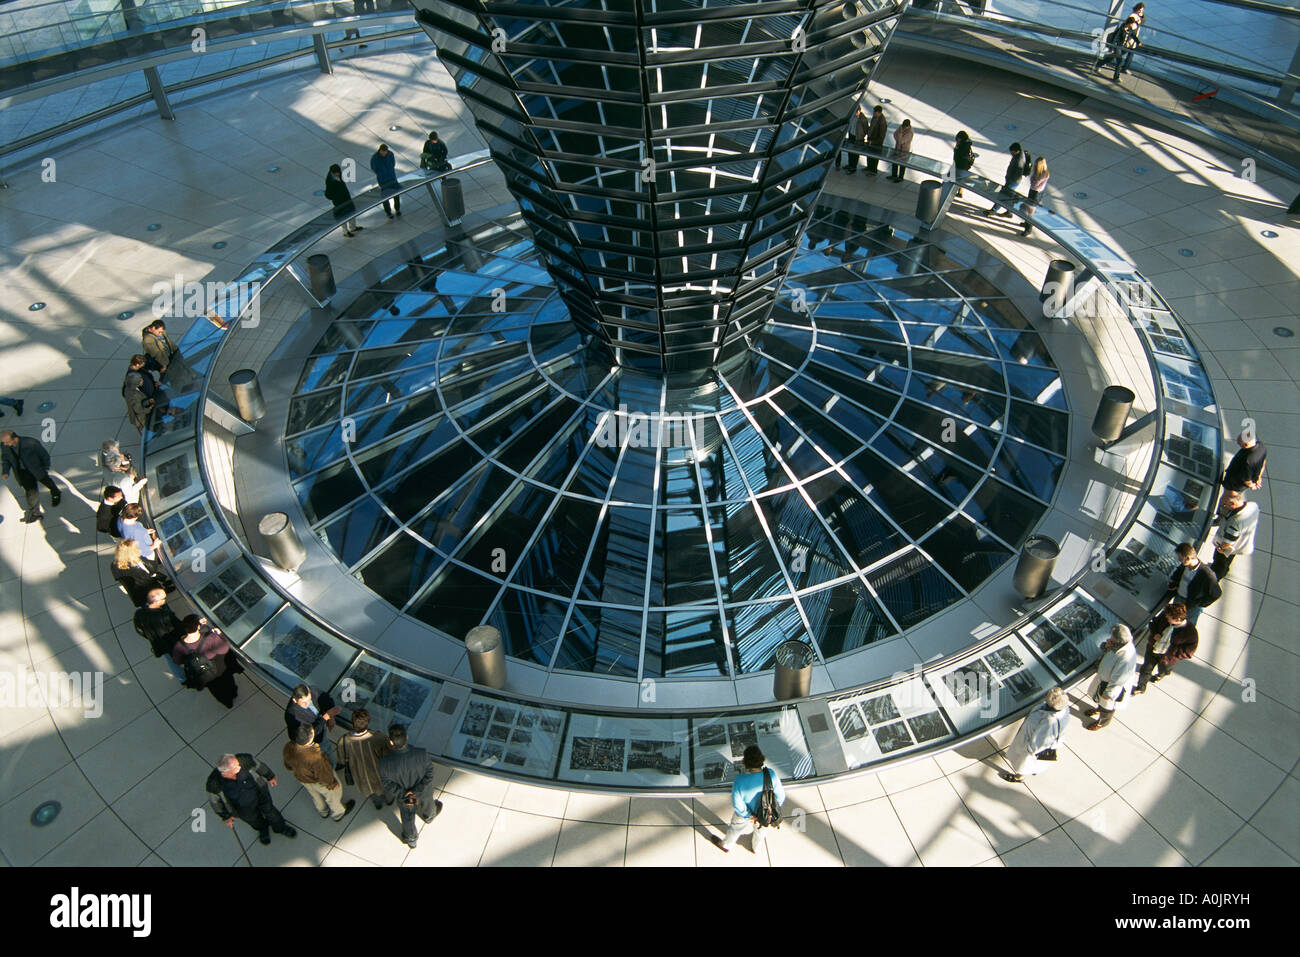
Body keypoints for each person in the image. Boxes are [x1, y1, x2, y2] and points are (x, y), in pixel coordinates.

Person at [206, 753, 298, 846]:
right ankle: (263, 829)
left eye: (237, 764)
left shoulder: (245, 759)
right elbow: (215, 803)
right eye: (235, 767)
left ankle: (281, 827)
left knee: (271, 811)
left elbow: (259, 766)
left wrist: (270, 776)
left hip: (260, 795)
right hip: (242, 808)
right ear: (225, 773)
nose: (239, 767)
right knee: (254, 820)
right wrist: (226, 817)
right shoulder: (214, 784)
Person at [378, 724, 441, 848]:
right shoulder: (422, 754)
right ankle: (429, 816)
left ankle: (411, 839)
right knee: (428, 803)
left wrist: (404, 794)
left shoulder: (384, 763)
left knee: (407, 817)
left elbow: (387, 783)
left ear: (391, 742)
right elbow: (429, 774)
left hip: (403, 798)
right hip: (422, 792)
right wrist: (415, 792)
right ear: (406, 736)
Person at [714, 745, 785, 854]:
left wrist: (749, 815)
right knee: (761, 832)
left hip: (744, 814)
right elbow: (780, 797)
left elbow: (738, 805)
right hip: (764, 814)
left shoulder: (740, 780)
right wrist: (769, 810)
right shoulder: (770, 774)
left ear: (745, 762)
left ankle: (726, 845)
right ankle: (755, 848)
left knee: (735, 829)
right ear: (761, 759)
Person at [283, 725, 356, 821]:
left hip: (303, 779)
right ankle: (338, 813)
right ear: (309, 738)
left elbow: (288, 765)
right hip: (319, 782)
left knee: (315, 795)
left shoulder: (289, 747)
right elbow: (324, 774)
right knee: (332, 797)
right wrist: (332, 784)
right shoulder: (315, 756)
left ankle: (323, 811)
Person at [1000, 686, 1069, 783]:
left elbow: (1039, 743)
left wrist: (1027, 750)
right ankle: (1032, 770)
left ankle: (1019, 777)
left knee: (1024, 764)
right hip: (1031, 743)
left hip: (1029, 748)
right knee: (1031, 763)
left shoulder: (1050, 721)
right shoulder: (1063, 708)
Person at [172, 614, 242, 708]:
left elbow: (177, 661)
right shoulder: (210, 638)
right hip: (220, 669)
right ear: (198, 626)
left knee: (215, 689)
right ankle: (232, 694)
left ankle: (226, 703)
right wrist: (219, 634)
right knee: (228, 683)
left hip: (203, 674)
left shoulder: (179, 646)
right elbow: (224, 649)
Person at [1085, 625, 1139, 730]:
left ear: (1119, 640)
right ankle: (1098, 709)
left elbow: (1119, 680)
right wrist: (1106, 646)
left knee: (1107, 707)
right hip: (1104, 680)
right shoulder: (1117, 645)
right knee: (1100, 700)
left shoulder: (1126, 657)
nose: (1110, 639)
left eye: (1112, 638)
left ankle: (1102, 722)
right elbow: (1106, 649)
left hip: (1111, 686)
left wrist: (1109, 694)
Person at [1, 429, 59, 523]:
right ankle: (35, 513)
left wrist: (45, 467)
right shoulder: (4, 446)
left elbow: (44, 455)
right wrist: (5, 472)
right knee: (31, 493)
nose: (5, 444)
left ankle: (55, 492)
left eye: (7, 442)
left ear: (15, 438)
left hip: (36, 469)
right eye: (3, 442)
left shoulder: (31, 443)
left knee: (47, 481)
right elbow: (5, 460)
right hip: (22, 472)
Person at [339, 708, 393, 810]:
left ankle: (378, 805)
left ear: (353, 723)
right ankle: (389, 801)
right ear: (368, 723)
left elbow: (342, 760)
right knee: (387, 792)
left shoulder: (344, 740)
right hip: (381, 777)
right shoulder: (379, 737)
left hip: (362, 780)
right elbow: (389, 756)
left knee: (372, 795)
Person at [133, 587, 188, 682]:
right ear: (156, 601)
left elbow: (139, 630)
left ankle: (182, 678)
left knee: (171, 661)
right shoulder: (165, 615)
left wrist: (151, 637)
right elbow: (180, 628)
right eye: (164, 598)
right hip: (173, 643)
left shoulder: (139, 613)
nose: (165, 600)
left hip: (158, 644)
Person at [1133, 601, 1187, 694]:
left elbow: (1188, 650)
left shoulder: (1187, 631)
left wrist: (1175, 655)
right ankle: (1141, 687)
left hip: (1166, 656)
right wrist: (1155, 633)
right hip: (1153, 649)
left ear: (1177, 619)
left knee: (1164, 669)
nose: (1166, 618)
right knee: (1146, 668)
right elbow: (1152, 623)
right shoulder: (1164, 616)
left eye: (1169, 617)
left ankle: (1161, 674)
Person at [1166, 541, 1221, 626]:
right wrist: (1175, 582)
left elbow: (1216, 594)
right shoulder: (1185, 565)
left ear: (1187, 558)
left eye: (1181, 559)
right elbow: (1178, 572)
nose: (1180, 561)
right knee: (1174, 622)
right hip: (1179, 599)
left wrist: (1198, 603)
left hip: (1191, 606)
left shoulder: (1207, 574)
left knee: (1187, 626)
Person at [285, 684, 341, 764]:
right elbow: (309, 733)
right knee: (322, 751)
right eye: (304, 703)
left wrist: (330, 717)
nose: (308, 704)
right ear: (295, 700)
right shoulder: (292, 715)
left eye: (309, 700)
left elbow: (326, 699)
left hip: (320, 726)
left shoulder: (312, 690)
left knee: (326, 748)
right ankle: (330, 766)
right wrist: (326, 717)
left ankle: (331, 763)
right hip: (313, 739)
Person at [1211, 489, 1259, 581]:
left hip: (1230, 548)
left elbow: (1227, 543)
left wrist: (1220, 549)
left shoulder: (1235, 522)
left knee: (1220, 564)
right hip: (1242, 545)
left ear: (1233, 504)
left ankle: (1215, 578)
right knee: (1228, 561)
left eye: (1225, 504)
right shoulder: (1253, 505)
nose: (1224, 506)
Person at [111, 538, 167, 605]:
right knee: (158, 603)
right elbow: (152, 570)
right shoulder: (137, 562)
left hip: (137, 595)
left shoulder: (114, 565)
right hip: (150, 590)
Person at [986, 142, 1032, 217]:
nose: (1011, 153)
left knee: (1003, 195)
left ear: (1016, 151)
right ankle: (1009, 212)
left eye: (1012, 152)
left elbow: (1016, 173)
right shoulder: (1019, 155)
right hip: (1013, 181)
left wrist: (1009, 180)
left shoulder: (1018, 160)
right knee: (1008, 197)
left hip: (1012, 181)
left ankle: (994, 210)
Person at [141, 320, 193, 387]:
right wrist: (164, 364)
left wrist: (175, 349)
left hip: (171, 354)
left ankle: (188, 378)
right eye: (159, 332)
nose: (160, 334)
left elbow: (168, 341)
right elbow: (157, 354)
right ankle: (179, 386)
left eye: (161, 332)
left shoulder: (160, 332)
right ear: (153, 328)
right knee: (172, 375)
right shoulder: (148, 340)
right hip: (164, 360)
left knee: (180, 368)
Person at [325, 164, 361, 238]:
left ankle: (352, 227)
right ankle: (345, 231)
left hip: (346, 198)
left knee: (351, 213)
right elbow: (329, 194)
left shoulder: (338, 176)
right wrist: (336, 198)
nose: (338, 174)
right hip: (339, 201)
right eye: (336, 173)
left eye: (338, 172)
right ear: (333, 172)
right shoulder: (330, 181)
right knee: (342, 216)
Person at [1021, 155, 1050, 236]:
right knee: (1028, 209)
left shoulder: (1043, 173)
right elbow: (1033, 182)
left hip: (1036, 193)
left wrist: (1033, 179)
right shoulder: (1039, 172)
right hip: (1033, 191)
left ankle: (1028, 228)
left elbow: (1035, 183)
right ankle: (1026, 223)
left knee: (1030, 211)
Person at [370, 144, 401, 218]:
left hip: (392, 178)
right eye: (383, 152)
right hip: (383, 180)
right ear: (380, 150)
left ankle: (397, 209)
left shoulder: (390, 154)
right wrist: (381, 173)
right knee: (385, 196)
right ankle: (388, 212)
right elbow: (374, 168)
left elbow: (393, 164)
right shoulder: (375, 158)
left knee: (396, 194)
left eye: (385, 152)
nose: (384, 153)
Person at [837, 104, 869, 173]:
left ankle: (853, 167)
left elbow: (866, 129)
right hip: (851, 135)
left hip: (858, 138)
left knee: (855, 154)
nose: (855, 113)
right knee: (850, 152)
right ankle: (850, 164)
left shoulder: (863, 119)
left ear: (859, 111)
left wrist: (861, 135)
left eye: (856, 111)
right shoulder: (853, 117)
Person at [864, 105, 888, 176]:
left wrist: (874, 141)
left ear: (878, 112)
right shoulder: (875, 117)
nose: (873, 113)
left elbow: (881, 136)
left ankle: (873, 171)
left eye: (875, 112)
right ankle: (869, 167)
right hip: (871, 139)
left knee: (874, 157)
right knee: (869, 155)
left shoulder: (882, 122)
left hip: (876, 143)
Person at [952, 130, 977, 197]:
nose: (957, 140)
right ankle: (960, 191)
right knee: (958, 178)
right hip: (960, 164)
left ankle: (959, 192)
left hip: (961, 165)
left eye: (959, 138)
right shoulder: (964, 144)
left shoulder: (964, 146)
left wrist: (956, 148)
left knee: (958, 178)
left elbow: (959, 154)